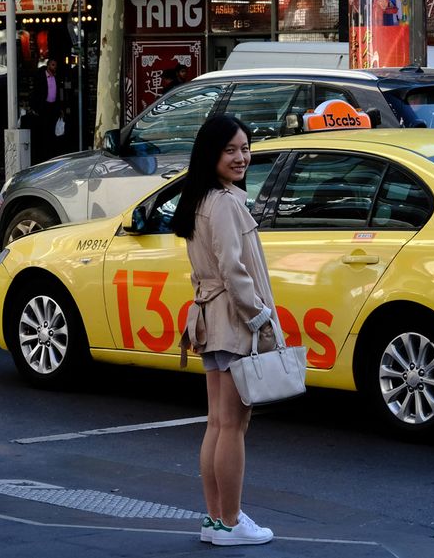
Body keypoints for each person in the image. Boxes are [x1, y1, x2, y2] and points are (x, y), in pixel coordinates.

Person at [172, 114, 276, 547]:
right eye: (230, 149)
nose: (241, 157)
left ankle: (217, 520)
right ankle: (231, 522)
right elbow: (235, 271)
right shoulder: (227, 203)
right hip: (234, 323)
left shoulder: (201, 198)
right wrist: (260, 318)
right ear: (211, 153)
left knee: (217, 423)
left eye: (245, 148)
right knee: (232, 425)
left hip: (210, 319)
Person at [29, 58, 64, 162]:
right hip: (44, 106)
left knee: (52, 131)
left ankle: (51, 153)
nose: (54, 67)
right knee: (43, 131)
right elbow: (36, 92)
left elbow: (58, 93)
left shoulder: (56, 77)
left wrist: (59, 108)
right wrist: (36, 107)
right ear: (48, 66)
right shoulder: (41, 76)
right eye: (53, 65)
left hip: (53, 107)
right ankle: (43, 154)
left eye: (55, 65)